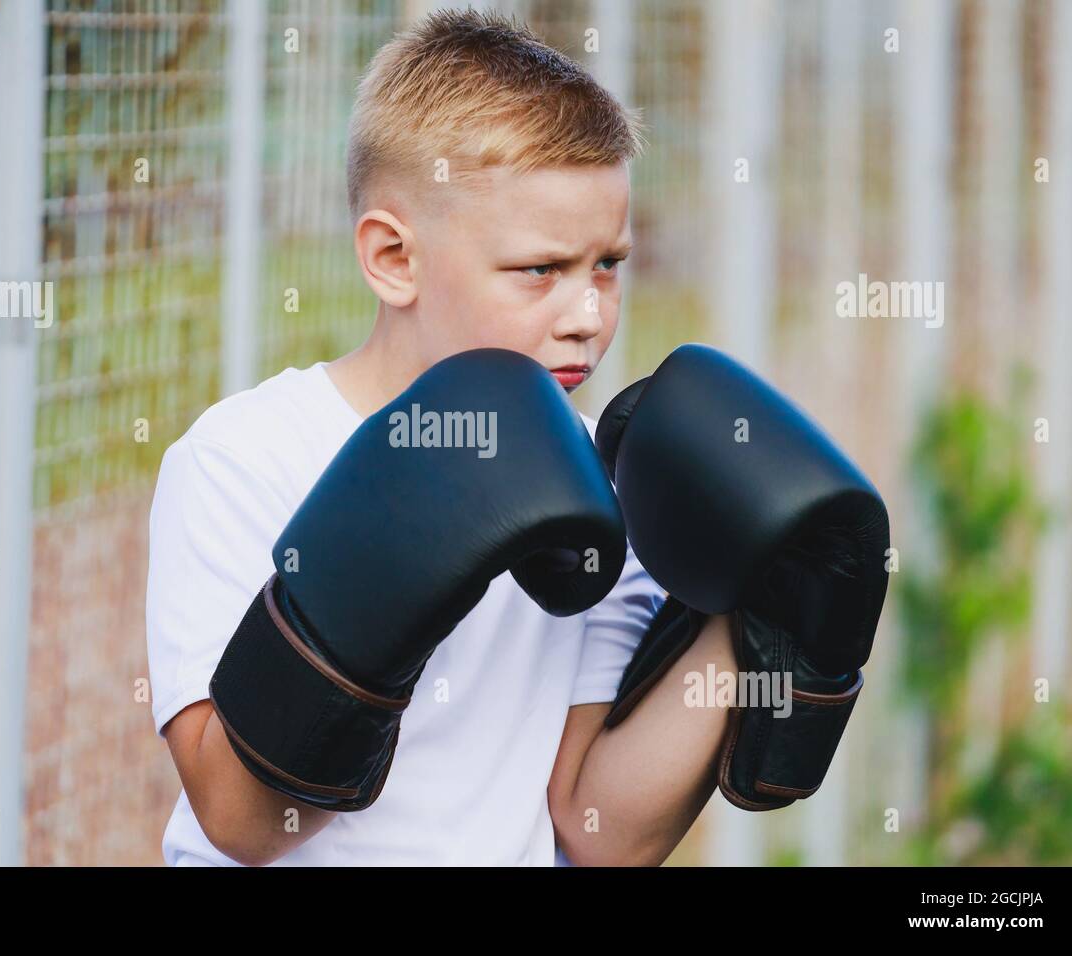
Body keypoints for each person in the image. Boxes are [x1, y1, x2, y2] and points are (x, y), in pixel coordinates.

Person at [146, 9, 888, 867]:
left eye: (607, 264)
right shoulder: (245, 458)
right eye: (540, 269)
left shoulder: (600, 490)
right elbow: (240, 825)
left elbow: (597, 828)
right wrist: (382, 583)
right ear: (394, 258)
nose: (588, 316)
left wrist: (747, 604)